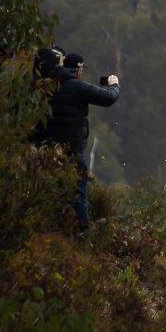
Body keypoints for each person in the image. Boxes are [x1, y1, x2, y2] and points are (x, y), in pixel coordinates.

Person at [35, 49, 119, 231]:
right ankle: (82, 232)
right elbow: (108, 97)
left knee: (51, 189)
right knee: (78, 193)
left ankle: (51, 228)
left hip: (48, 149)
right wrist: (114, 85)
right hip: (72, 149)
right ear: (79, 70)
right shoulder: (77, 87)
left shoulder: (45, 86)